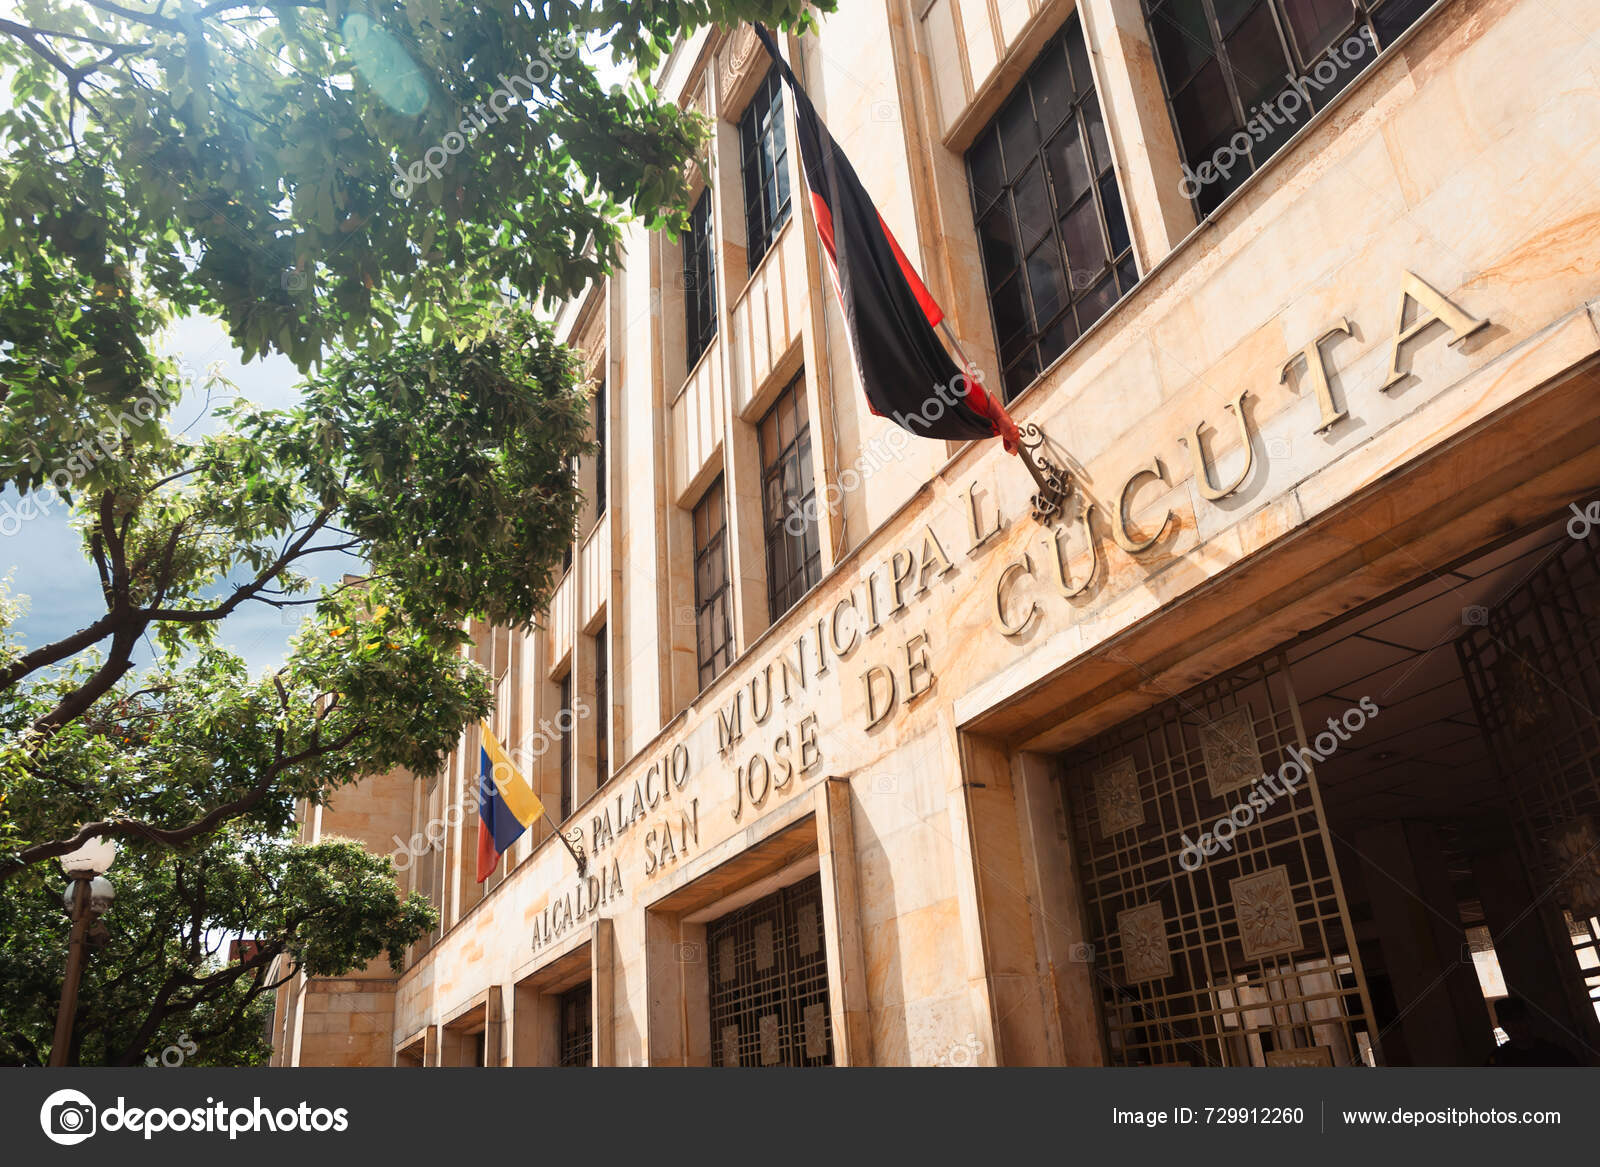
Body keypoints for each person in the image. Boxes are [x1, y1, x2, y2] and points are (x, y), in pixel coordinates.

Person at [1485, 996, 1581, 1066]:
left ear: (1529, 1020)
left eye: (1519, 1019)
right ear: (1502, 1025)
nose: (1515, 1026)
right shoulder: (1498, 1059)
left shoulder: (1555, 1053)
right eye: (1509, 1021)